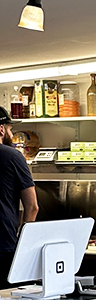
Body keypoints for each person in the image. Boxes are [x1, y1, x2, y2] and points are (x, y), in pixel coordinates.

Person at [0, 106, 38, 286]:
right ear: (1, 129)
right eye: (10, 129)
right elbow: (32, 206)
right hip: (4, 246)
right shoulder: (13, 156)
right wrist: (24, 243)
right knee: (8, 299)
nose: (11, 133)